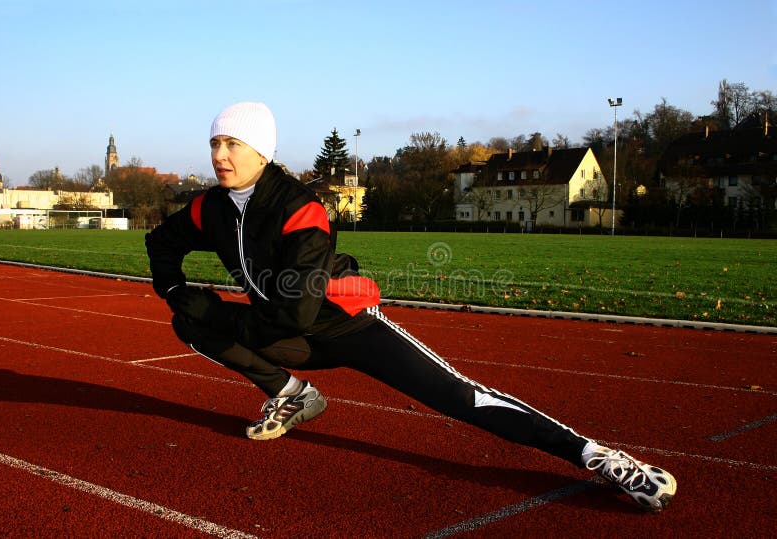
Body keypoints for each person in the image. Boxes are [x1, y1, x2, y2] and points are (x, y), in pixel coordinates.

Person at [145, 101, 676, 512]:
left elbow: (294, 312)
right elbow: (161, 242)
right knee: (185, 320)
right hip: (287, 333)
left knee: (462, 398)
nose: (220, 155)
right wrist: (173, 289)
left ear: (263, 151)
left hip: (345, 326)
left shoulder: (298, 207)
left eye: (233, 143)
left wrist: (216, 309)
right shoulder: (208, 208)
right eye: (215, 142)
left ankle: (598, 457)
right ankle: (291, 394)